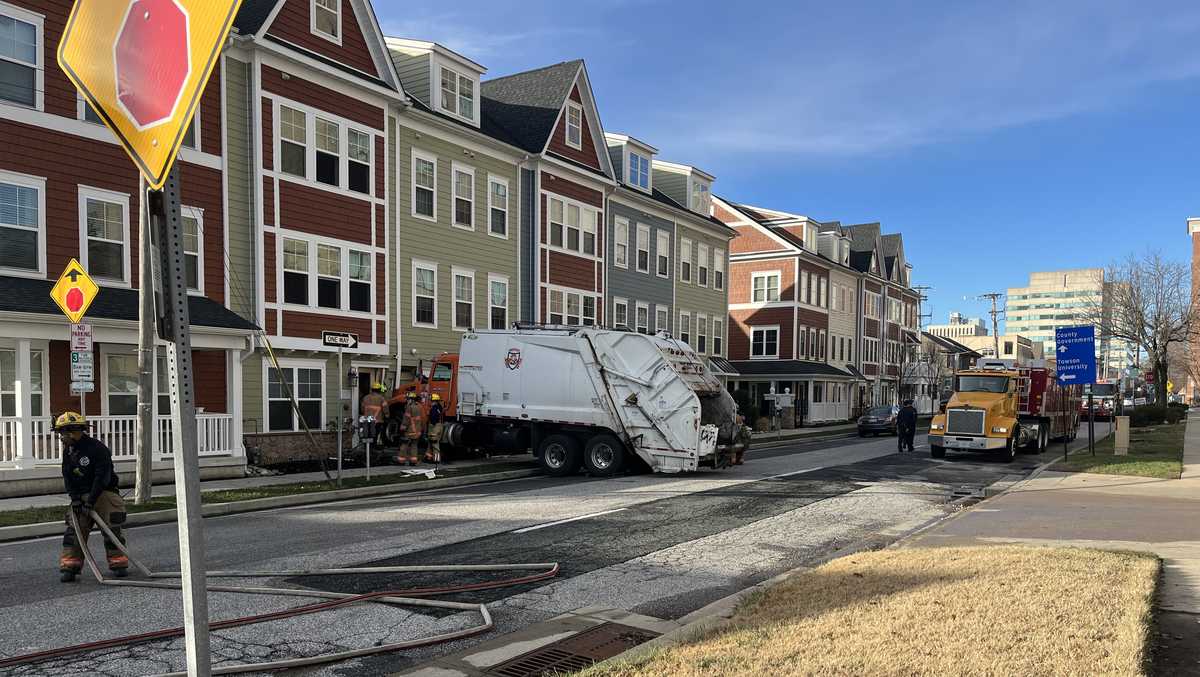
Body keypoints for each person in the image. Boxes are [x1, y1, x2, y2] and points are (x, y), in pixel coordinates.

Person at [54, 412, 129, 582]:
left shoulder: (97, 449)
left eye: (64, 433)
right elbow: (67, 476)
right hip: (81, 497)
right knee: (74, 532)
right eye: (60, 433)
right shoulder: (69, 451)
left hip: (104, 494)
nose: (61, 437)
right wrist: (75, 498)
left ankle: (118, 564)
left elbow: (102, 477)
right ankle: (70, 567)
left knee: (112, 530)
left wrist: (91, 501)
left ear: (75, 431)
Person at [399, 392, 426, 466]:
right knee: (414, 446)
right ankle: (413, 461)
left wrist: (402, 428)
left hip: (409, 431)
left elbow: (406, 419)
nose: (407, 401)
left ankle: (401, 461)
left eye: (408, 399)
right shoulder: (419, 406)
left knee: (404, 445)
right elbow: (423, 419)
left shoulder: (409, 407)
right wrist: (423, 429)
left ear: (411, 399)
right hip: (417, 431)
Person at [424, 394, 445, 464]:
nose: (431, 402)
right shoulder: (440, 408)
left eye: (431, 401)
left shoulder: (434, 409)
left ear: (434, 401)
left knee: (435, 444)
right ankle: (428, 457)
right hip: (439, 426)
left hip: (434, 428)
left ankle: (436, 460)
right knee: (431, 443)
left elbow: (433, 419)